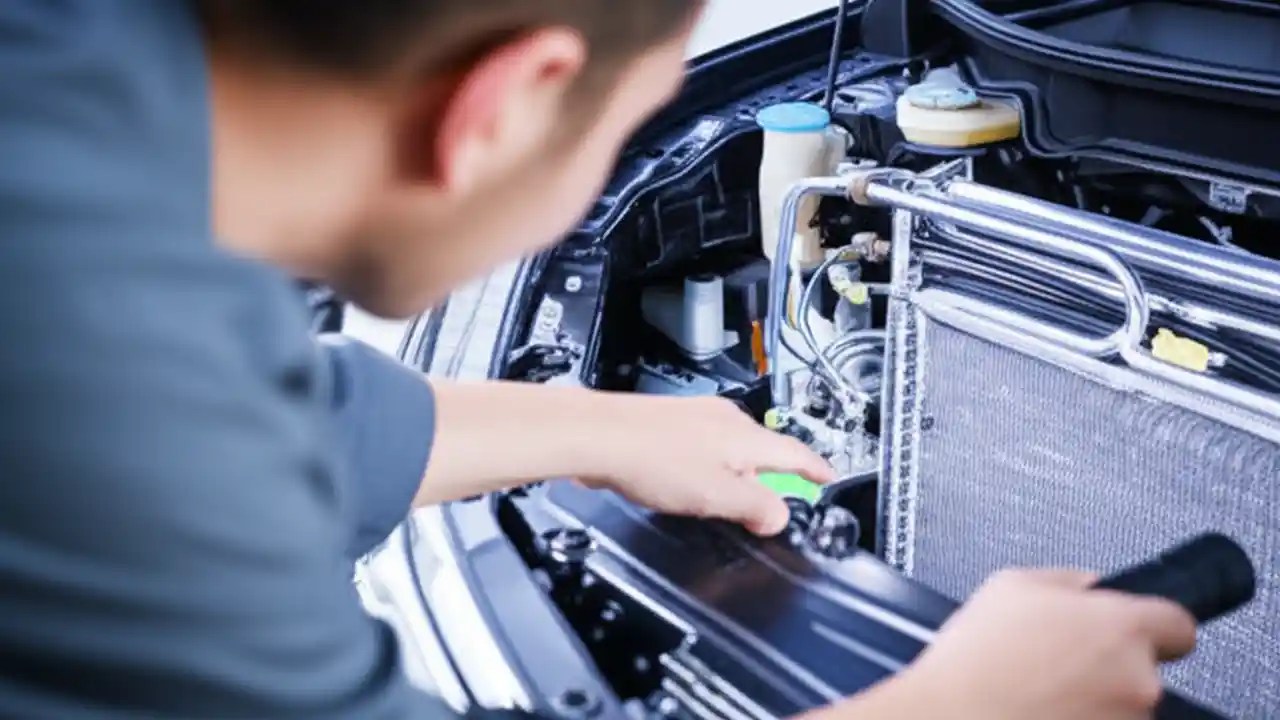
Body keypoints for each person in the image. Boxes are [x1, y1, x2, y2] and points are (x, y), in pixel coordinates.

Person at [0, 1, 1196, 718]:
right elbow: (149, 446)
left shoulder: (78, 123)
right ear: (507, 107)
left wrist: (602, 426)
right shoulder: (85, 364)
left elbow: (240, 416)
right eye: (625, 125)